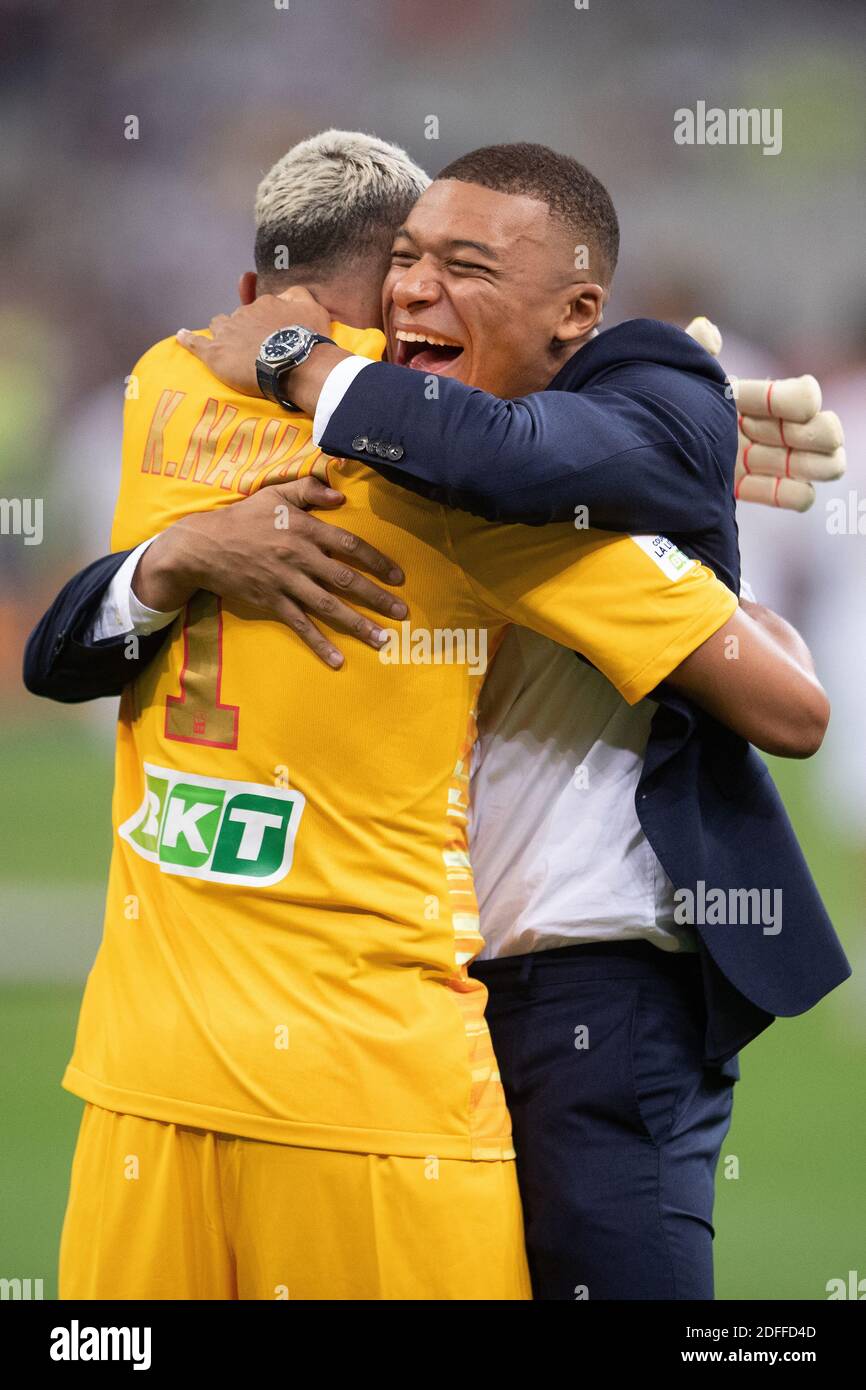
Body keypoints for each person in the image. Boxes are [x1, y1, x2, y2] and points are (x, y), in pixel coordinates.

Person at [25, 136, 846, 1301]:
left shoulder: (168, 385)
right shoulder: (445, 485)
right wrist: (672, 489)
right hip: (368, 1075)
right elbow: (785, 695)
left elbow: (55, 651)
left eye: (456, 271)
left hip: (154, 1069)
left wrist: (671, 461)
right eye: (405, 269)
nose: (415, 307)